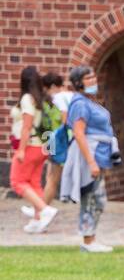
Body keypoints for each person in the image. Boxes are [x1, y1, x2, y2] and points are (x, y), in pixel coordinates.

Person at [60, 65, 116, 253]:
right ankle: (88, 240)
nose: (93, 80)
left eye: (93, 77)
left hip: (98, 154)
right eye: (88, 78)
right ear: (78, 83)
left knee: (98, 199)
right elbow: (79, 133)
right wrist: (91, 162)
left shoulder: (89, 101)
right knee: (91, 198)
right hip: (88, 156)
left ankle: (91, 238)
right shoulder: (80, 104)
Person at [11, 66, 58, 233]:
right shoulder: (42, 98)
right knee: (34, 183)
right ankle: (38, 221)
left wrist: (21, 150)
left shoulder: (27, 99)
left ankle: (44, 210)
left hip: (30, 145)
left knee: (17, 182)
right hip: (42, 147)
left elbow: (26, 126)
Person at [40, 72, 72, 207]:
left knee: (52, 177)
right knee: (51, 176)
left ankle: (42, 209)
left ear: (52, 86)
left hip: (61, 140)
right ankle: (42, 206)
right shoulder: (69, 95)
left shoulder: (58, 97)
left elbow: (65, 118)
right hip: (64, 139)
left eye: (45, 89)